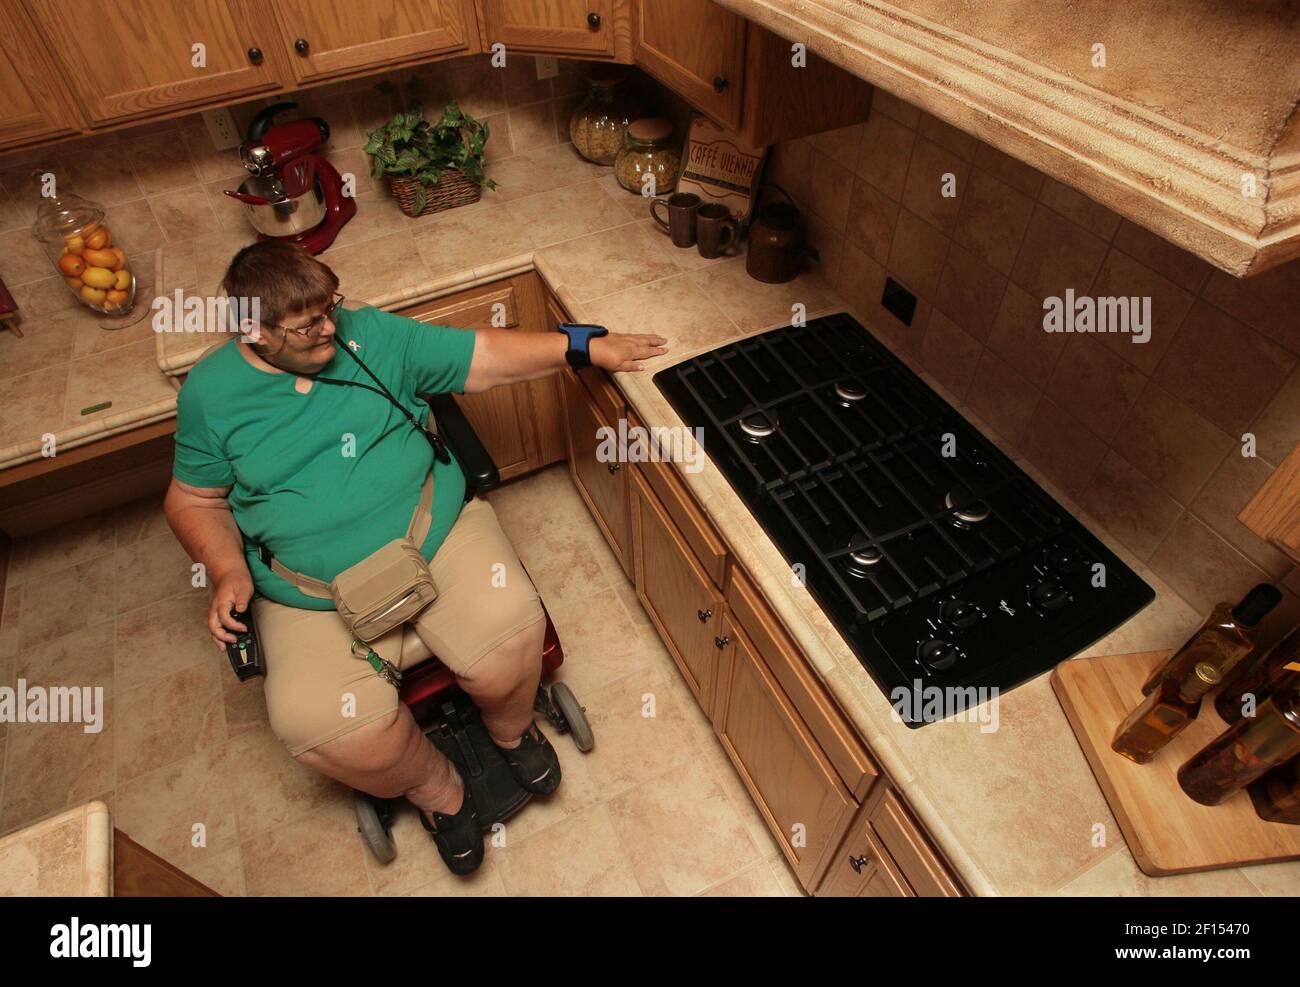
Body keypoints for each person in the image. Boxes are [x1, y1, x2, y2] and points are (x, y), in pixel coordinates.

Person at [164, 240, 667, 874]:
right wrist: (228, 570)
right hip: (305, 588)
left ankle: (511, 731)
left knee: (511, 632)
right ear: (253, 330)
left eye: (329, 309)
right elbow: (193, 499)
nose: (328, 326)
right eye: (306, 324)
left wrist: (582, 345)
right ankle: (438, 790)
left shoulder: (365, 333)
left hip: (433, 531)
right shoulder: (211, 394)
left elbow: (480, 356)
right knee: (322, 727)